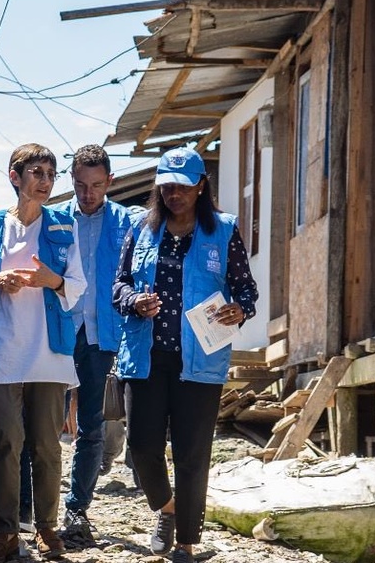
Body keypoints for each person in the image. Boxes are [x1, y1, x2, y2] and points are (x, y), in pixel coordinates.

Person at [111, 148, 258, 563]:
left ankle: (187, 544)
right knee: (141, 447)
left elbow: (246, 289)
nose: (173, 193)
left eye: (181, 185)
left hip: (200, 361)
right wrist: (135, 300)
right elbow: (118, 286)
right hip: (145, 355)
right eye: (166, 186)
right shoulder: (141, 227)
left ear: (200, 186)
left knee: (193, 454)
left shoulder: (224, 230)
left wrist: (239, 309)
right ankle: (168, 509)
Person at [0, 143, 87, 562]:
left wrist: (51, 280)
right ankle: (6, 531)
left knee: (47, 445)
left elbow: (77, 287)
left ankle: (47, 527)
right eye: (37, 173)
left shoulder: (63, 226)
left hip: (49, 352)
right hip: (0, 350)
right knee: (5, 441)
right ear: (15, 177)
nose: (46, 182)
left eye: (51, 174)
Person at [54, 145, 133, 544]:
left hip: (103, 334)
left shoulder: (127, 222)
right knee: (45, 427)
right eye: (81, 185)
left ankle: (76, 510)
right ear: (71, 180)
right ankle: (34, 513)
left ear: (110, 182)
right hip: (58, 333)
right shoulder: (53, 219)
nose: (88, 194)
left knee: (92, 427)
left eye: (97, 186)